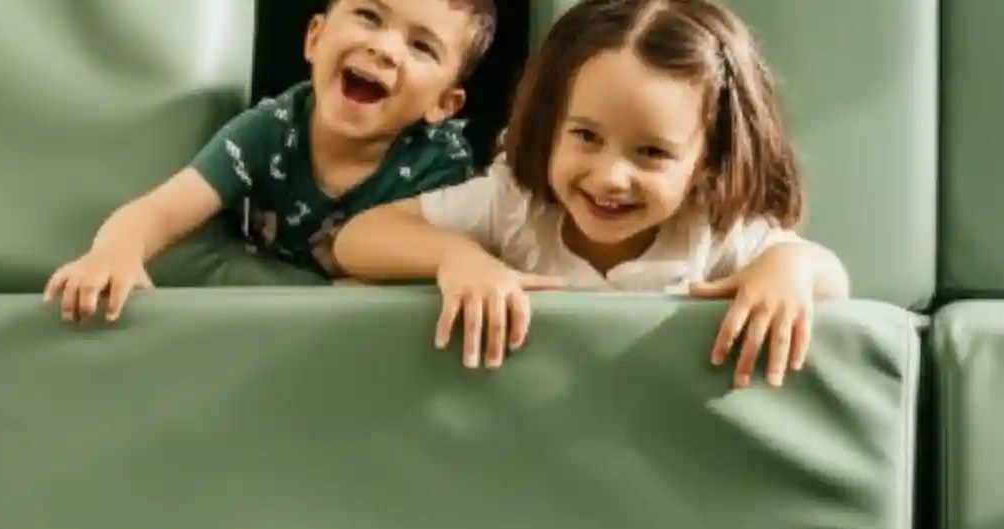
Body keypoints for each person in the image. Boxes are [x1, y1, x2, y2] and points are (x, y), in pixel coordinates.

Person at [332, 0, 849, 388]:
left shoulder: (711, 231)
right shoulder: (517, 204)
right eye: (585, 136)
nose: (610, 177)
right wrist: (458, 258)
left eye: (651, 152)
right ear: (550, 126)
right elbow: (358, 239)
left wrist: (787, 270)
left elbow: (830, 279)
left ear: (706, 164)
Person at [45, 0, 497, 322]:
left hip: (355, 336)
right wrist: (114, 253)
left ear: (443, 104)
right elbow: (162, 209)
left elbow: (428, 285)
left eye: (421, 47)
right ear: (315, 38)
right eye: (369, 16)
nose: (385, 48)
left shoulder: (442, 167)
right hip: (263, 315)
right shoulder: (273, 128)